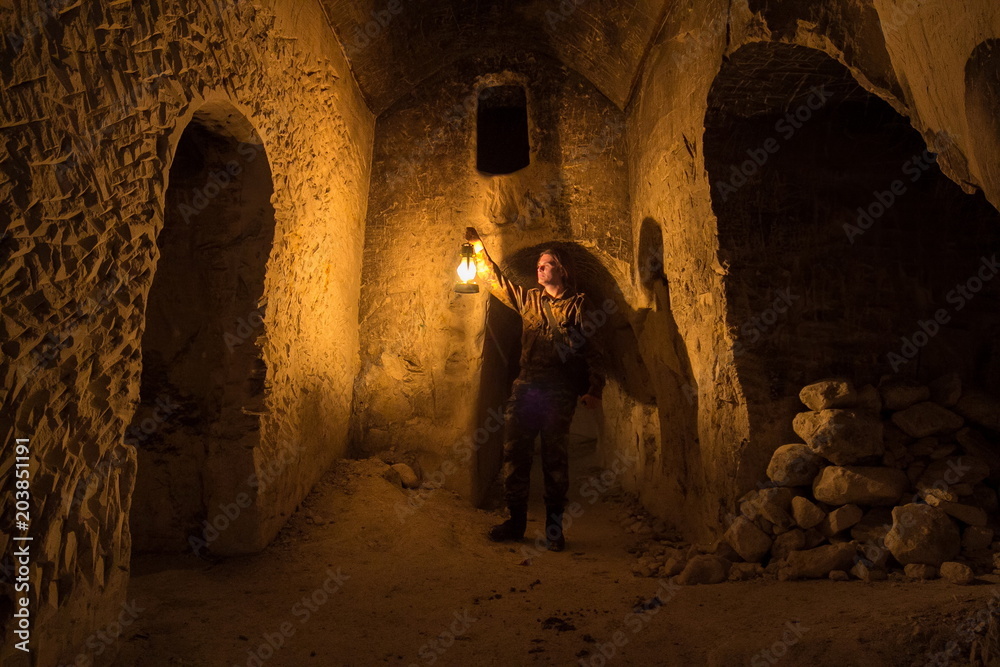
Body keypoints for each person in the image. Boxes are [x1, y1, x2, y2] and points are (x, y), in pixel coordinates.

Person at [465, 227, 605, 552]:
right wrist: (477, 247)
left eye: (548, 263)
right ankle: (515, 522)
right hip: (526, 386)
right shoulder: (529, 299)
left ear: (563, 270)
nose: (540, 268)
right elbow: (497, 281)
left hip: (558, 390)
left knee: (555, 461)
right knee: (514, 454)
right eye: (539, 264)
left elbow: (595, 351)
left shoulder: (578, 306)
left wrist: (594, 388)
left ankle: (554, 530)